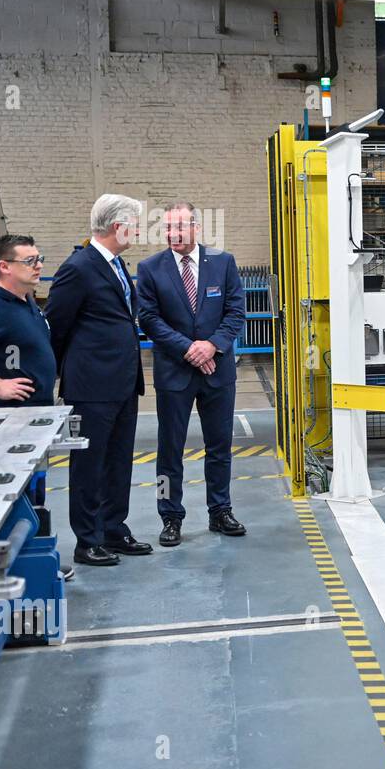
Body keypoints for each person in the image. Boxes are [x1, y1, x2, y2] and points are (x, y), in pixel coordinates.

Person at [44, 195, 152, 567]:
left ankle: (113, 528)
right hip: (90, 387)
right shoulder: (79, 267)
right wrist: (57, 375)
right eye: (134, 224)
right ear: (117, 227)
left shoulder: (118, 265)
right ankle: (87, 540)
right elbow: (56, 325)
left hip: (123, 382)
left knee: (119, 461)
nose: (137, 230)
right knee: (89, 464)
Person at [136, 201, 246, 547]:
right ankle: (170, 517)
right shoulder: (151, 269)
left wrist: (212, 346)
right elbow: (149, 319)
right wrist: (190, 349)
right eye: (167, 228)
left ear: (196, 227)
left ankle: (220, 510)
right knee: (169, 449)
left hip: (217, 371)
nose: (173, 235)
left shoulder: (223, 263)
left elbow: (235, 312)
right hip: (175, 372)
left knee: (219, 447)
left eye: (180, 228)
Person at [0, 235, 55, 408]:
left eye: (39, 259)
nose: (39, 265)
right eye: (30, 261)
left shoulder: (25, 299)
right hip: (8, 416)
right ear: (4, 266)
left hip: (35, 411)